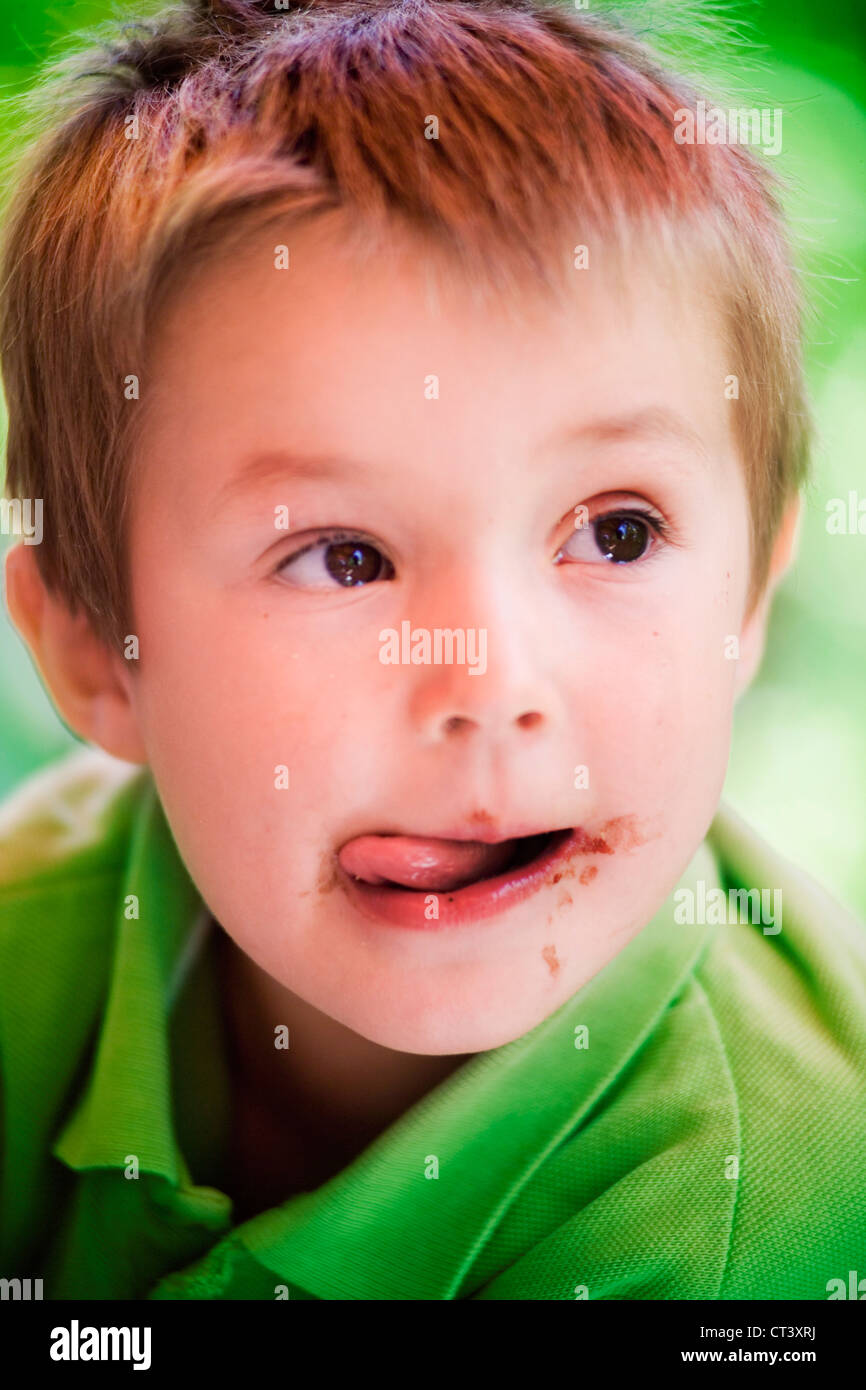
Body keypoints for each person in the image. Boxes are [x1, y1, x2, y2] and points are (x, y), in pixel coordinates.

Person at [0, 0, 863, 1300]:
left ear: (747, 594)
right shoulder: (29, 947)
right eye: (343, 555)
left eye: (616, 532)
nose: (493, 685)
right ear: (94, 652)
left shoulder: (750, 1224)